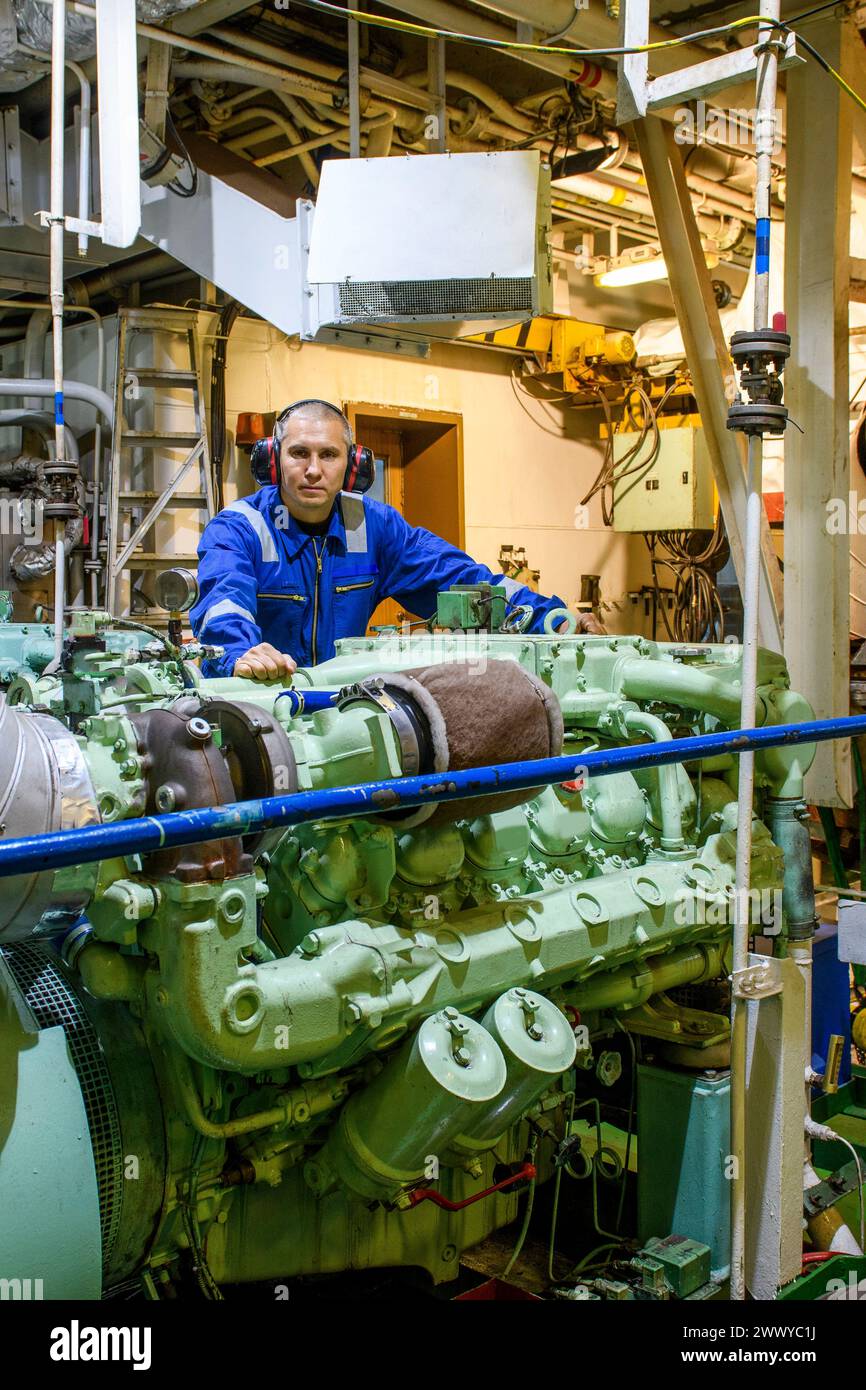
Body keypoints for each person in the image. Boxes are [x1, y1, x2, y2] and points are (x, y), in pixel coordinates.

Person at [190, 398, 602, 680]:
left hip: (340, 708)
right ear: (273, 460)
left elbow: (465, 584)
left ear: (353, 468)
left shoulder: (374, 527)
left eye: (328, 455)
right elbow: (224, 603)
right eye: (299, 453)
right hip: (260, 703)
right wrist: (239, 654)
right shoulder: (238, 528)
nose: (313, 470)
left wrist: (554, 620)